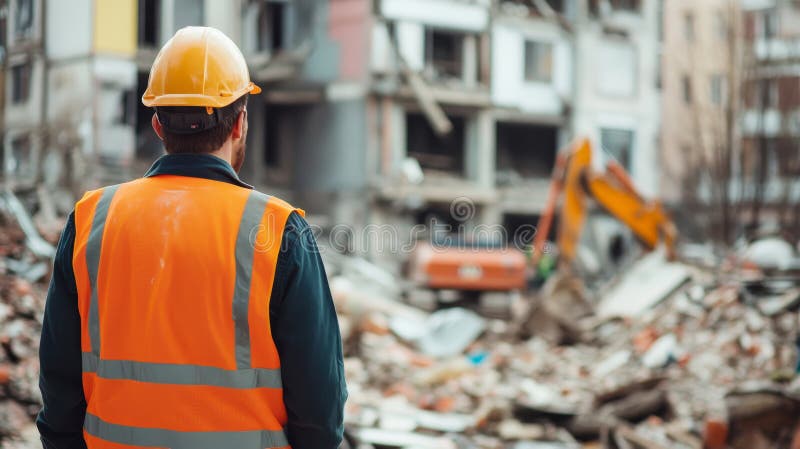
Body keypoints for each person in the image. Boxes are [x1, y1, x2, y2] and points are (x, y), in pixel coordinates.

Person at [36, 26, 346, 449]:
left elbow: (59, 390)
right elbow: (320, 411)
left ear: (158, 125)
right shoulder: (278, 230)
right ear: (240, 123)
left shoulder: (92, 220)